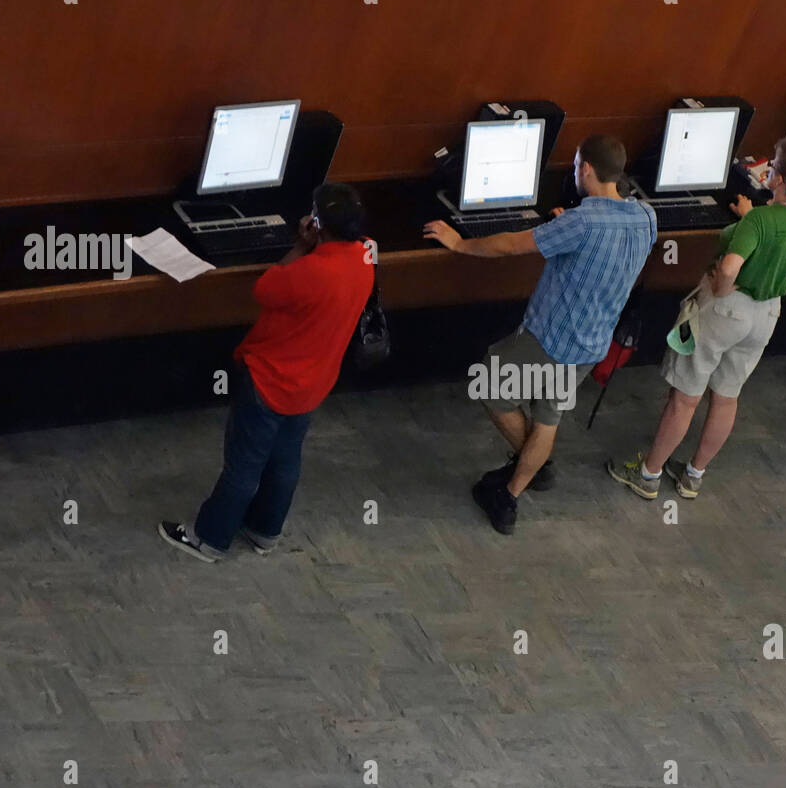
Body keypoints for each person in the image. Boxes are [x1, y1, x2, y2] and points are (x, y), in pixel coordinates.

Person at [423, 134, 656, 534]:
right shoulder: (646, 216)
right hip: (593, 341)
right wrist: (566, 226)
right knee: (548, 418)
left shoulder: (581, 222)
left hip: (549, 339)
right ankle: (515, 488)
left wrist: (459, 242)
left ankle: (529, 470)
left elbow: (511, 246)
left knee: (490, 388)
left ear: (586, 170)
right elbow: (609, 246)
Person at [160, 183, 374, 561]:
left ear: (318, 221)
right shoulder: (365, 257)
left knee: (244, 464)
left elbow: (265, 288)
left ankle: (208, 539)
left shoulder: (309, 271)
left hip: (271, 381)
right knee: (286, 459)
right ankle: (264, 530)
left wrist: (299, 245)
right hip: (314, 383)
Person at [607, 134, 786, 500]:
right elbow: (778, 229)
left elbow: (730, 268)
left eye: (773, 163)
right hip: (766, 314)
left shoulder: (758, 224)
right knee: (726, 396)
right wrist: (751, 216)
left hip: (726, 311)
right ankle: (693, 475)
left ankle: (648, 474)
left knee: (686, 396)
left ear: (781, 179)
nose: (767, 167)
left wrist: (722, 285)